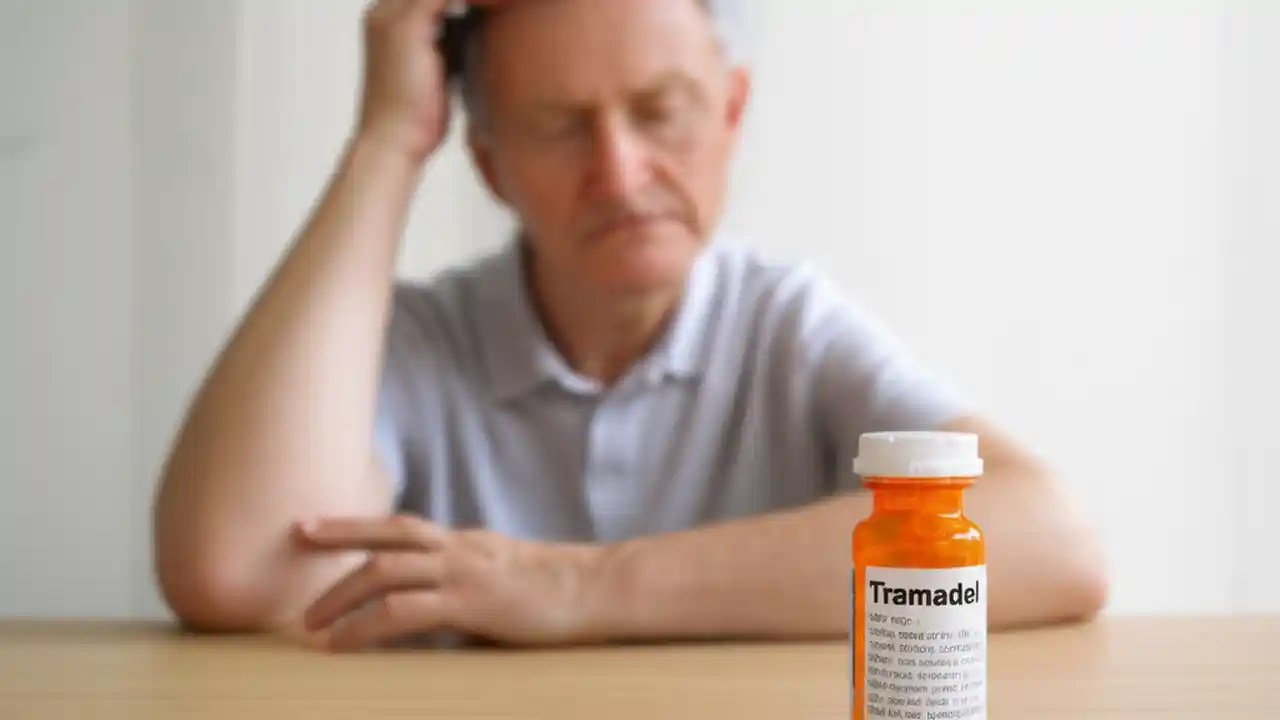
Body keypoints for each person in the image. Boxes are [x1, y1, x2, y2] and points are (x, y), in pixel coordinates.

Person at [153, 0, 1107, 652]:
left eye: (661, 113)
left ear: (731, 113)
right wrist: (386, 143)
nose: (619, 175)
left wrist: (581, 587)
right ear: (488, 166)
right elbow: (235, 570)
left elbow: (1051, 542)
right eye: (561, 127)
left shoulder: (786, 327)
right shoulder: (419, 344)